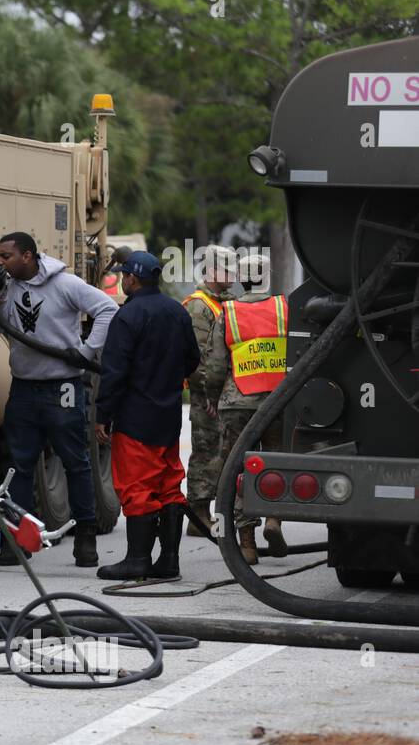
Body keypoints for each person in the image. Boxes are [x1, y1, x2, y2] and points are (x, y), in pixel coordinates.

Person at [0, 231, 118, 567]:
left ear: (28, 256)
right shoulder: (9, 285)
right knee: (19, 466)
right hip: (25, 387)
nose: (0, 262)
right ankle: (18, 540)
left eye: (6, 256)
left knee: (76, 461)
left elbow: (106, 309)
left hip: (62, 386)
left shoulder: (65, 284)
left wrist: (87, 351)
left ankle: (85, 538)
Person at [94, 250, 201, 581]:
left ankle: (137, 560)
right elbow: (192, 360)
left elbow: (114, 373)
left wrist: (103, 414)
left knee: (137, 487)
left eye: (124, 276)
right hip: (167, 417)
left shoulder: (127, 317)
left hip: (135, 418)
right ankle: (169, 561)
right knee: (169, 485)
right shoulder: (176, 312)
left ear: (131, 279)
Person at [204, 252, 289, 564]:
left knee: (237, 472)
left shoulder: (229, 312)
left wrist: (212, 398)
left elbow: (214, 366)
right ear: (267, 277)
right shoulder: (283, 308)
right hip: (278, 402)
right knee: (276, 463)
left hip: (237, 404)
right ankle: (274, 519)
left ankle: (248, 544)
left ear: (240, 279)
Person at [181, 245, 237, 535]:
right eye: (228, 269)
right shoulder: (199, 306)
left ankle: (207, 510)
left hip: (223, 393)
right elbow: (198, 358)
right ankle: (198, 513)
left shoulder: (224, 302)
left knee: (220, 452)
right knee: (205, 451)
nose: (234, 274)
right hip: (207, 396)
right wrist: (209, 395)